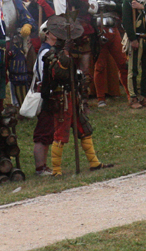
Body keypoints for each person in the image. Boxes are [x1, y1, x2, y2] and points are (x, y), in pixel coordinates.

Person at [36, 16, 114, 175]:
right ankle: (56, 170)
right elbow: (58, 72)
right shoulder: (49, 53)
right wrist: (65, 51)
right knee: (60, 133)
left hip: (72, 96)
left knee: (84, 129)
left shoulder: (67, 50)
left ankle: (94, 162)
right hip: (61, 98)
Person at [89, 0, 128, 107]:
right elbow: (88, 10)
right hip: (99, 30)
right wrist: (96, 7)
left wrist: (111, 4)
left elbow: (122, 6)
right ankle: (100, 98)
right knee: (99, 66)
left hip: (113, 27)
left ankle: (130, 94)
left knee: (123, 62)